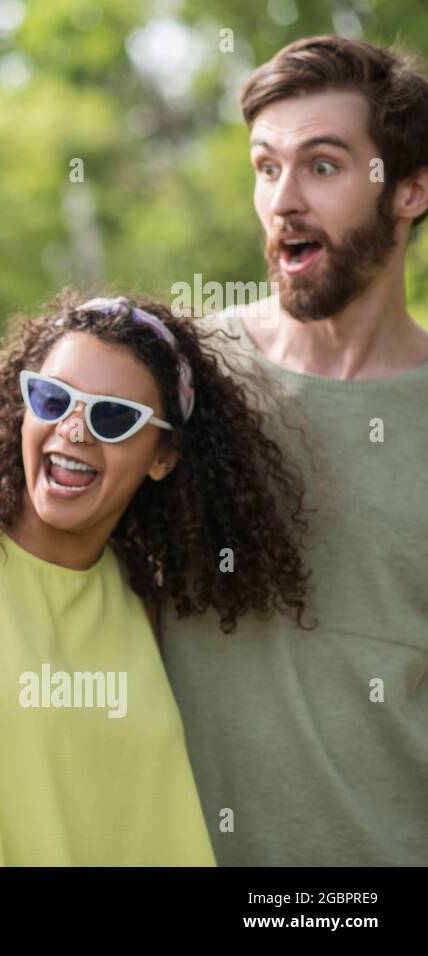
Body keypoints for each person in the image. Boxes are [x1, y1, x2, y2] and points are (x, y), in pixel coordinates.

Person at [0, 292, 310, 865]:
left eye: (113, 416)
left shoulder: (145, 602)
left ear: (164, 455)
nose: (75, 430)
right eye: (52, 397)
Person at [159, 35, 428, 865]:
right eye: (266, 167)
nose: (283, 200)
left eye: (321, 166)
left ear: (411, 190)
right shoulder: (177, 379)